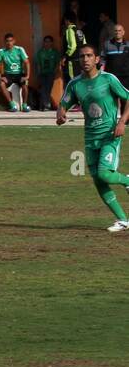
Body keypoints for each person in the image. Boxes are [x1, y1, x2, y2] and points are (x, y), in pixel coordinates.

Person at [57, 45, 129, 232]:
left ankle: (127, 181)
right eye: (82, 56)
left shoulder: (108, 79)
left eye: (89, 56)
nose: (85, 59)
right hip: (90, 138)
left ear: (97, 59)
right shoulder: (75, 84)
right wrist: (61, 113)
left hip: (110, 135)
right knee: (98, 180)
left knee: (105, 174)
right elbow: (64, 102)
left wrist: (122, 122)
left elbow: (128, 97)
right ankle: (123, 220)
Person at [0, 33, 31, 112]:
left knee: (25, 85)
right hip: (8, 74)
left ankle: (24, 105)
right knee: (1, 84)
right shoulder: (2, 51)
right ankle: (12, 105)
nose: (9, 43)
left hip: (19, 74)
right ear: (4, 42)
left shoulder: (19, 49)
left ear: (14, 41)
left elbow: (27, 62)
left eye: (11, 41)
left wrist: (27, 76)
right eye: (7, 41)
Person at [35, 36, 62, 111]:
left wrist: (55, 71)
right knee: (43, 88)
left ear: (52, 43)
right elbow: (38, 64)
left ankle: (45, 105)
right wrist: (38, 74)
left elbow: (58, 63)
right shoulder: (40, 52)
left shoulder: (55, 52)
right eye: (46, 41)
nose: (47, 43)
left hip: (50, 73)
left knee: (48, 89)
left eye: (49, 41)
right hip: (42, 73)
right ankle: (45, 105)